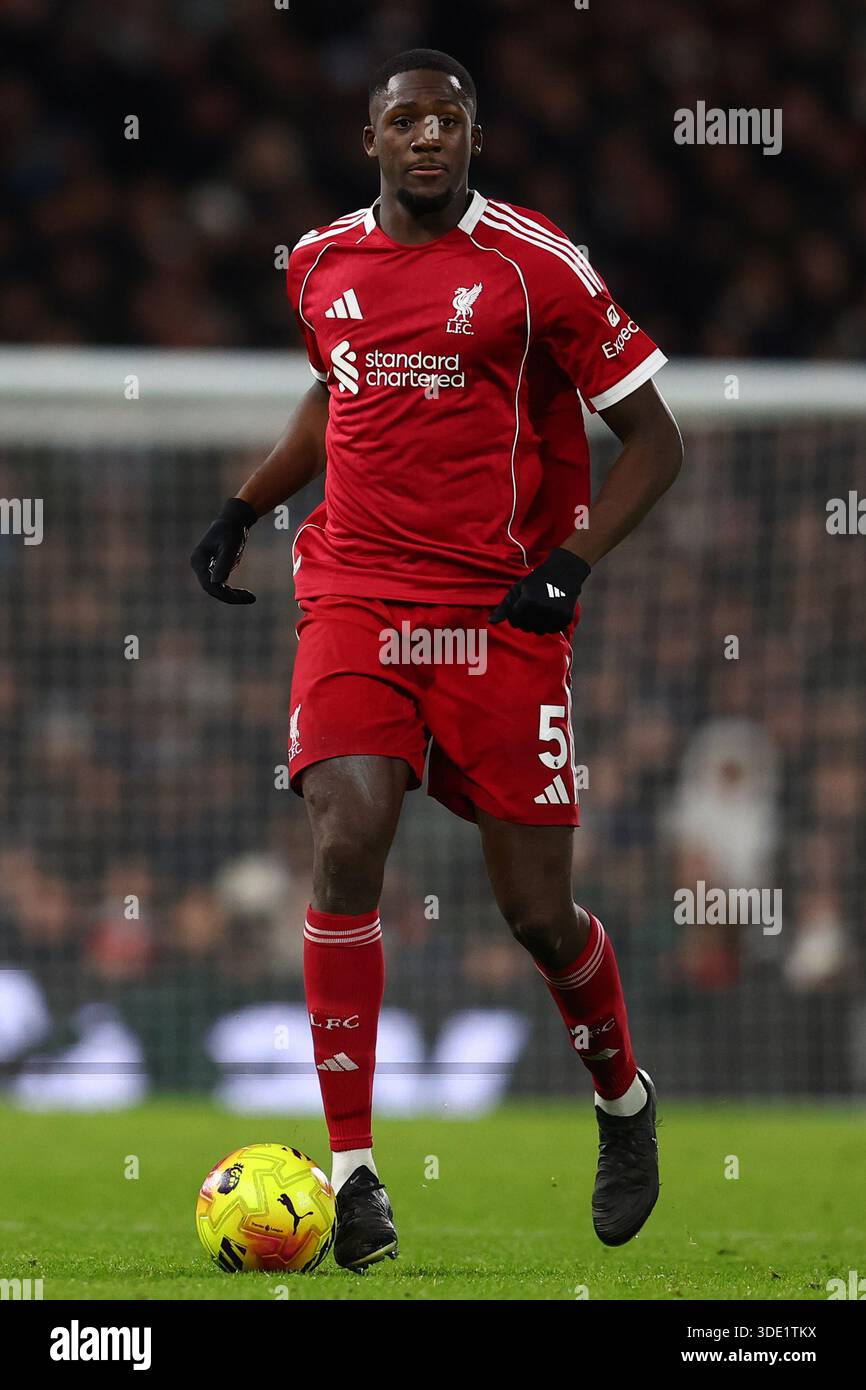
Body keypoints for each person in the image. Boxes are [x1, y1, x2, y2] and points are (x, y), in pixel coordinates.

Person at [192, 47, 683, 1271]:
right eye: (404, 119)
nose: (426, 137)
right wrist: (245, 506)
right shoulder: (318, 264)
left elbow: (655, 442)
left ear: (472, 138)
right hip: (353, 591)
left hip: (498, 618)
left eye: (447, 120)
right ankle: (352, 1175)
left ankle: (621, 1102)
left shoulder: (535, 268)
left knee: (535, 912)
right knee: (346, 831)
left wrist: (569, 562)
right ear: (370, 140)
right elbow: (335, 394)